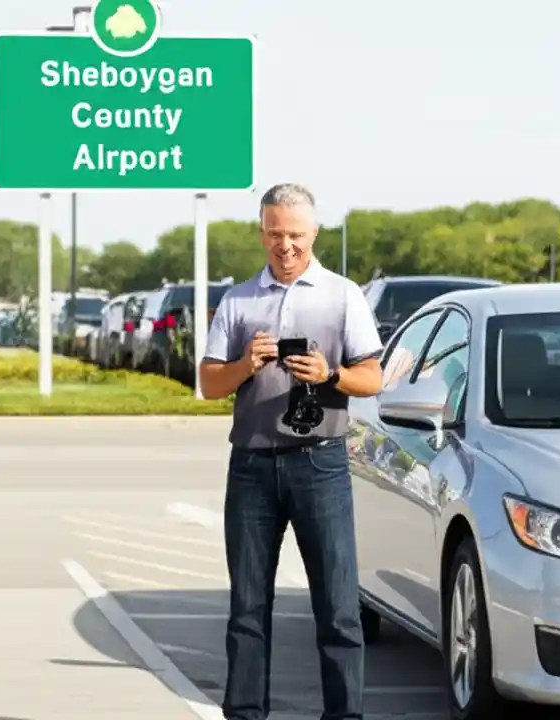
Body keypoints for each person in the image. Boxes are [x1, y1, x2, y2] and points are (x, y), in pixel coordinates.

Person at [199, 183, 384, 720]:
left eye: (296, 235)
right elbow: (211, 384)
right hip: (252, 466)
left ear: (314, 234)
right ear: (262, 233)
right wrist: (245, 366)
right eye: (276, 234)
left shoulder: (342, 294)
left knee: (338, 607)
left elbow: (372, 378)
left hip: (319, 463)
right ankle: (246, 713)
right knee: (248, 610)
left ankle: (344, 714)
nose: (286, 246)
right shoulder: (238, 300)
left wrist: (331, 374)